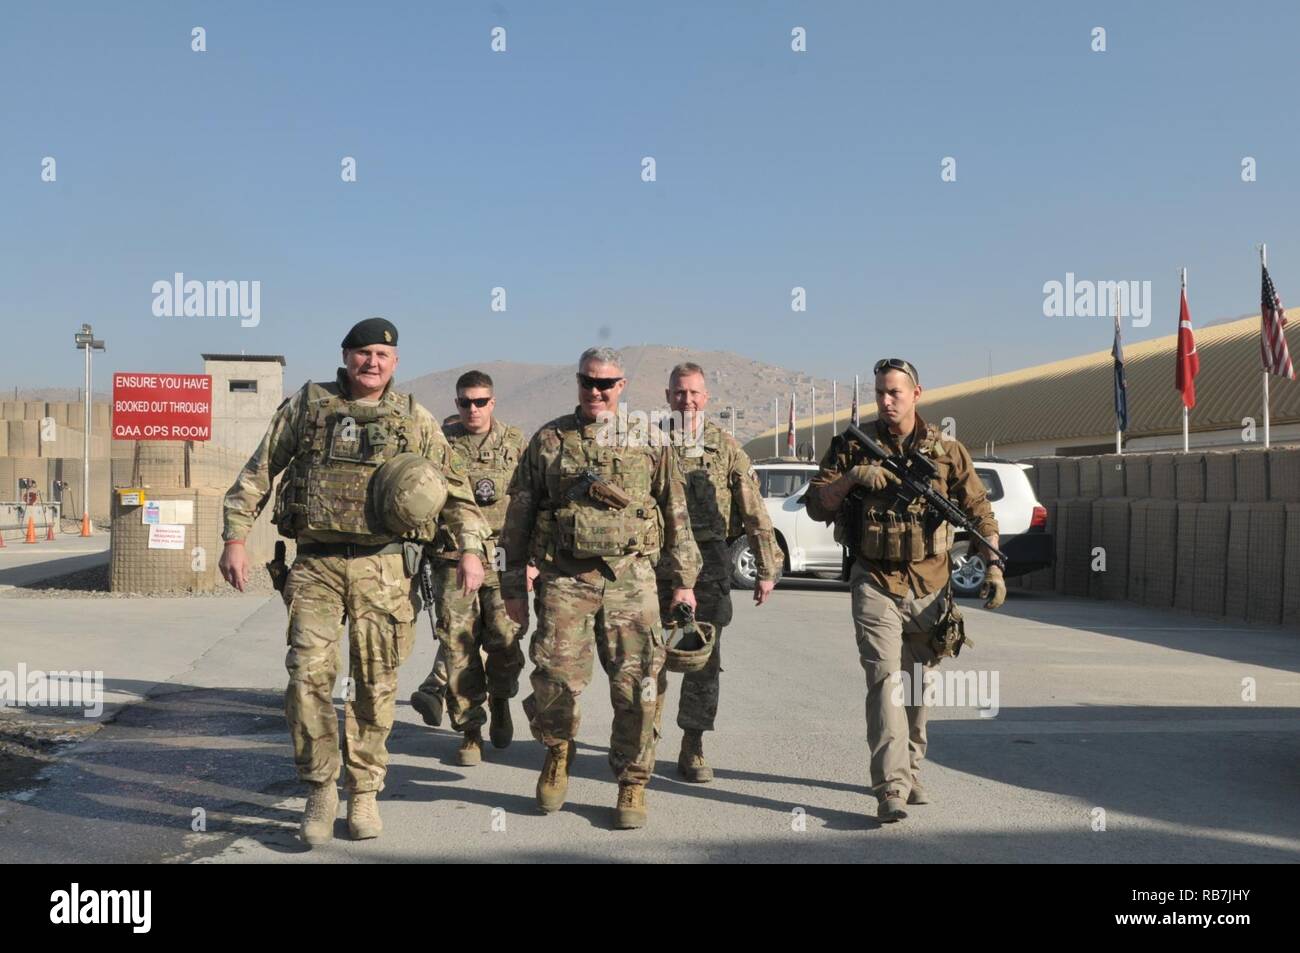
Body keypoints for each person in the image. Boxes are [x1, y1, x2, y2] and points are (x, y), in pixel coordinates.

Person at [219, 317, 490, 846]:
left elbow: (455, 489)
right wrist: (234, 536)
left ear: (395, 363)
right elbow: (260, 470)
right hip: (316, 564)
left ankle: (363, 792)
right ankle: (321, 787)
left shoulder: (414, 418)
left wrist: (472, 551)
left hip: (384, 568)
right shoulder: (308, 405)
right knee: (308, 677)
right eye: (362, 353)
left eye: (382, 356)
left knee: (376, 684)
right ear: (345, 357)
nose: (372, 362)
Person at [499, 346, 700, 829]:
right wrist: (511, 586)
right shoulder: (549, 440)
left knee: (639, 688)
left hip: (632, 581)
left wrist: (684, 583)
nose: (596, 391)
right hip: (565, 580)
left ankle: (632, 780)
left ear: (622, 387)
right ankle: (557, 753)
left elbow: (675, 515)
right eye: (588, 381)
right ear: (578, 382)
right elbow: (518, 518)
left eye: (606, 383)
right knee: (553, 679)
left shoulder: (650, 441)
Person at [805, 357, 1004, 822]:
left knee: (918, 686)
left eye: (895, 392)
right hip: (874, 579)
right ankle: (890, 787)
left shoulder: (948, 451)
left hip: (931, 584)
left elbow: (979, 513)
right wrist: (853, 478)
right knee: (884, 680)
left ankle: (911, 769)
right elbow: (816, 504)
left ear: (918, 393)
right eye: (880, 393)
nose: (887, 401)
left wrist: (994, 568)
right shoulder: (852, 447)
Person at [655, 362, 780, 782]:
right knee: (647, 659)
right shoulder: (649, 444)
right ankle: (641, 742)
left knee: (701, 660)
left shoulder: (726, 448)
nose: (686, 401)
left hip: (709, 565)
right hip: (657, 564)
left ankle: (693, 746)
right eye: (679, 393)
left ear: (706, 398)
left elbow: (753, 510)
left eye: (693, 393)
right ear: (667, 395)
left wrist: (766, 567)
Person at [410, 371, 526, 766]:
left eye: (479, 402)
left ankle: (502, 698)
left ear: (492, 402)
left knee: (505, 643)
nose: (472, 409)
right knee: (458, 646)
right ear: (456, 403)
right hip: (453, 557)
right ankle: (471, 730)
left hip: (503, 559)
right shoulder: (439, 443)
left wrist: (533, 563)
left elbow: (531, 503)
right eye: (464, 402)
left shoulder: (515, 443)